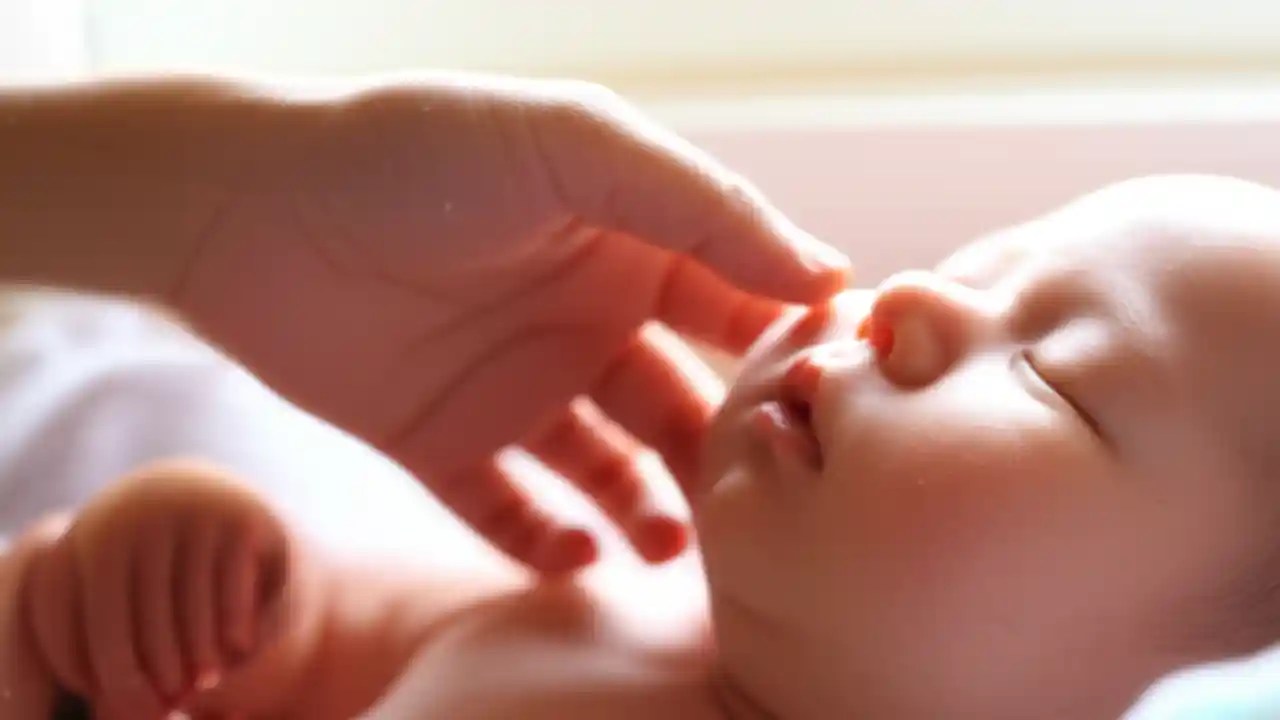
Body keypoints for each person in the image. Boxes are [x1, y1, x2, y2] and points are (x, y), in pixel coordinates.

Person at [6, 174, 1280, 720]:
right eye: (962, 267)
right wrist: (161, 585)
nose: (914, 306)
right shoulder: (605, 599)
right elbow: (275, 661)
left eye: (1054, 379)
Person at [0, 73, 851, 575]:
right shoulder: (610, 622)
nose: (917, 299)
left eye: (995, 360)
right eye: (971, 276)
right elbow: (319, 655)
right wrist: (251, 615)